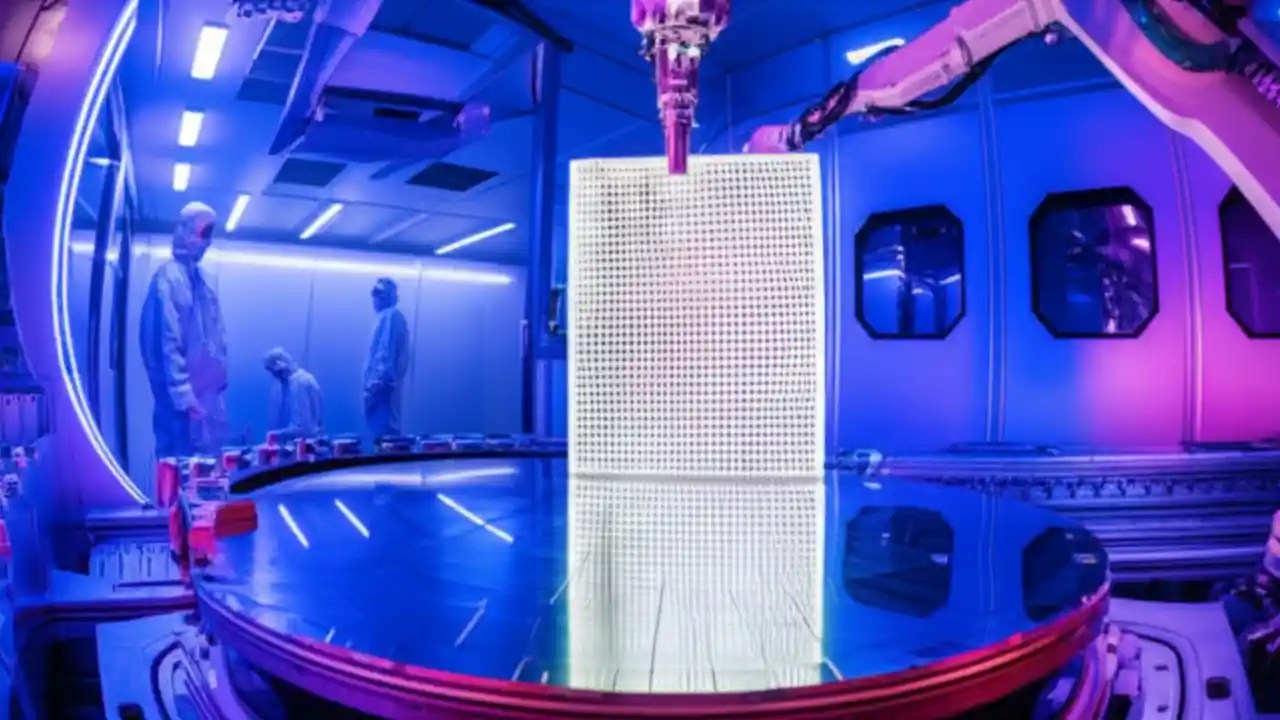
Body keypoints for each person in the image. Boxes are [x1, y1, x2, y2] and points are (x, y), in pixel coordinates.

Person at [139, 201, 228, 457]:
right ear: (186, 231)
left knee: (204, 467)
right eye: (205, 234)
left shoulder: (199, 280)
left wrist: (219, 379)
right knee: (180, 464)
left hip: (205, 399)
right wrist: (182, 393)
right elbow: (167, 342)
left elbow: (215, 338)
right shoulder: (169, 279)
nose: (208, 243)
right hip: (185, 406)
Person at [363, 277, 410, 439]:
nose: (375, 299)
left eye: (380, 294)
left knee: (386, 435)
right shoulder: (386, 317)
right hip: (381, 391)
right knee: (382, 433)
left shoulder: (391, 316)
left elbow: (384, 356)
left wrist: (374, 388)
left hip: (382, 392)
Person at [263, 347, 324, 440]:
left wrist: (275, 435)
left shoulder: (298, 383)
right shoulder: (306, 378)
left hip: (306, 444)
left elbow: (304, 428)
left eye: (273, 372)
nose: (275, 377)